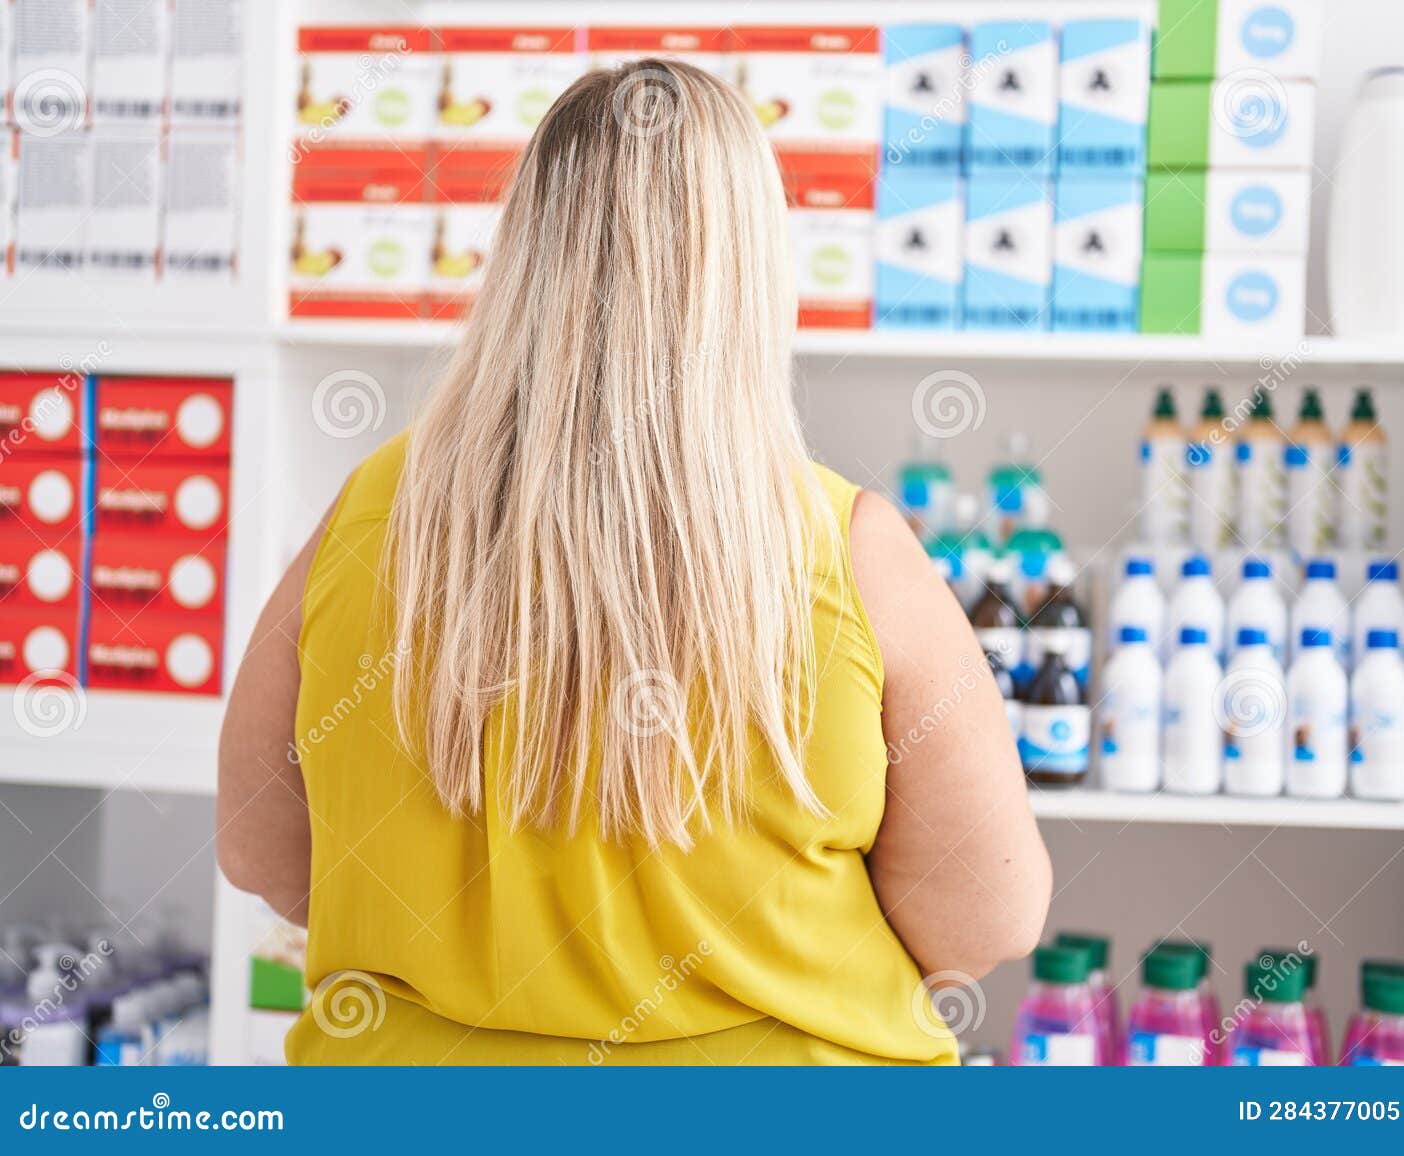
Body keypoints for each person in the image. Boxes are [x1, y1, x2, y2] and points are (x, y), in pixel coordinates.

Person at [217, 60, 1049, 1065]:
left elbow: (260, 848)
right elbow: (986, 921)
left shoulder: (365, 518)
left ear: (522, 248)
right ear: (753, 268)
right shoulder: (850, 549)